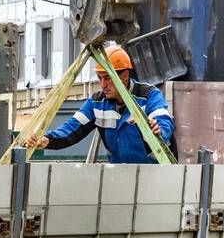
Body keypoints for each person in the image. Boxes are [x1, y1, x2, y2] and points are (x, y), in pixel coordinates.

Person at [25, 46, 175, 164]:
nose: (103, 84)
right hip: (119, 177)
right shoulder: (96, 103)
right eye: (99, 78)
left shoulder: (149, 95)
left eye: (108, 78)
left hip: (155, 175)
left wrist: (157, 130)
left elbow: (163, 122)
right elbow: (71, 128)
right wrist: (47, 139)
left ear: (124, 76)